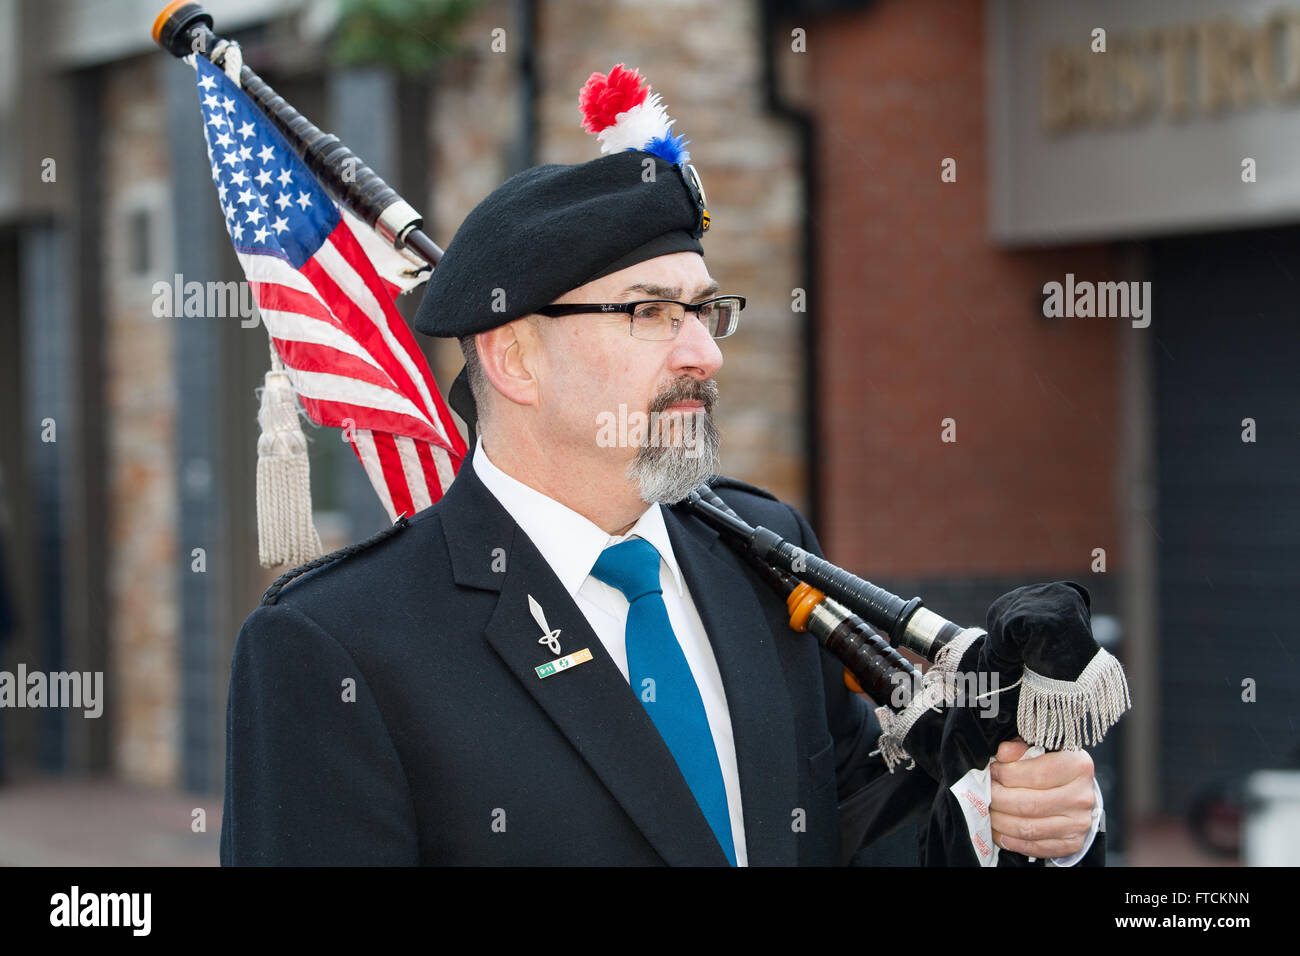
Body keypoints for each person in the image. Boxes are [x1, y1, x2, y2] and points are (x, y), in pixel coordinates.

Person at [219, 74, 1099, 866]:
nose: (703, 353)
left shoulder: (762, 559)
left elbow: (854, 838)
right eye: (649, 311)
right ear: (515, 360)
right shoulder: (339, 646)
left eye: (705, 310)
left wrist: (1015, 822)